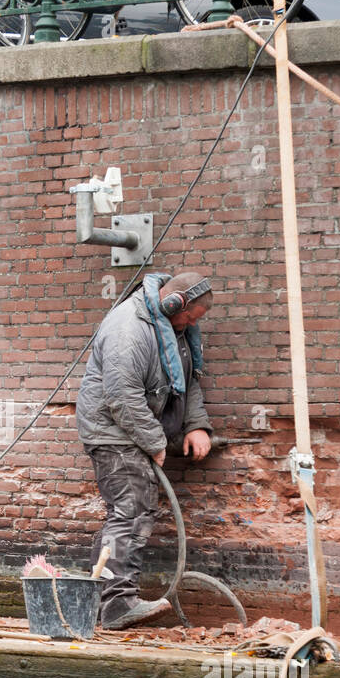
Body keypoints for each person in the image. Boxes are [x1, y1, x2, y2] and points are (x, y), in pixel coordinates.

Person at [76, 270, 214, 630]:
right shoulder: (129, 329)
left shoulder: (173, 329)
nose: (190, 324)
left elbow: (187, 383)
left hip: (134, 431)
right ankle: (117, 604)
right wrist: (156, 443)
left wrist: (196, 424)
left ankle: (97, 603)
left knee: (128, 512)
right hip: (114, 433)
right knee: (130, 511)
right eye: (190, 316)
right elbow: (122, 398)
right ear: (173, 303)